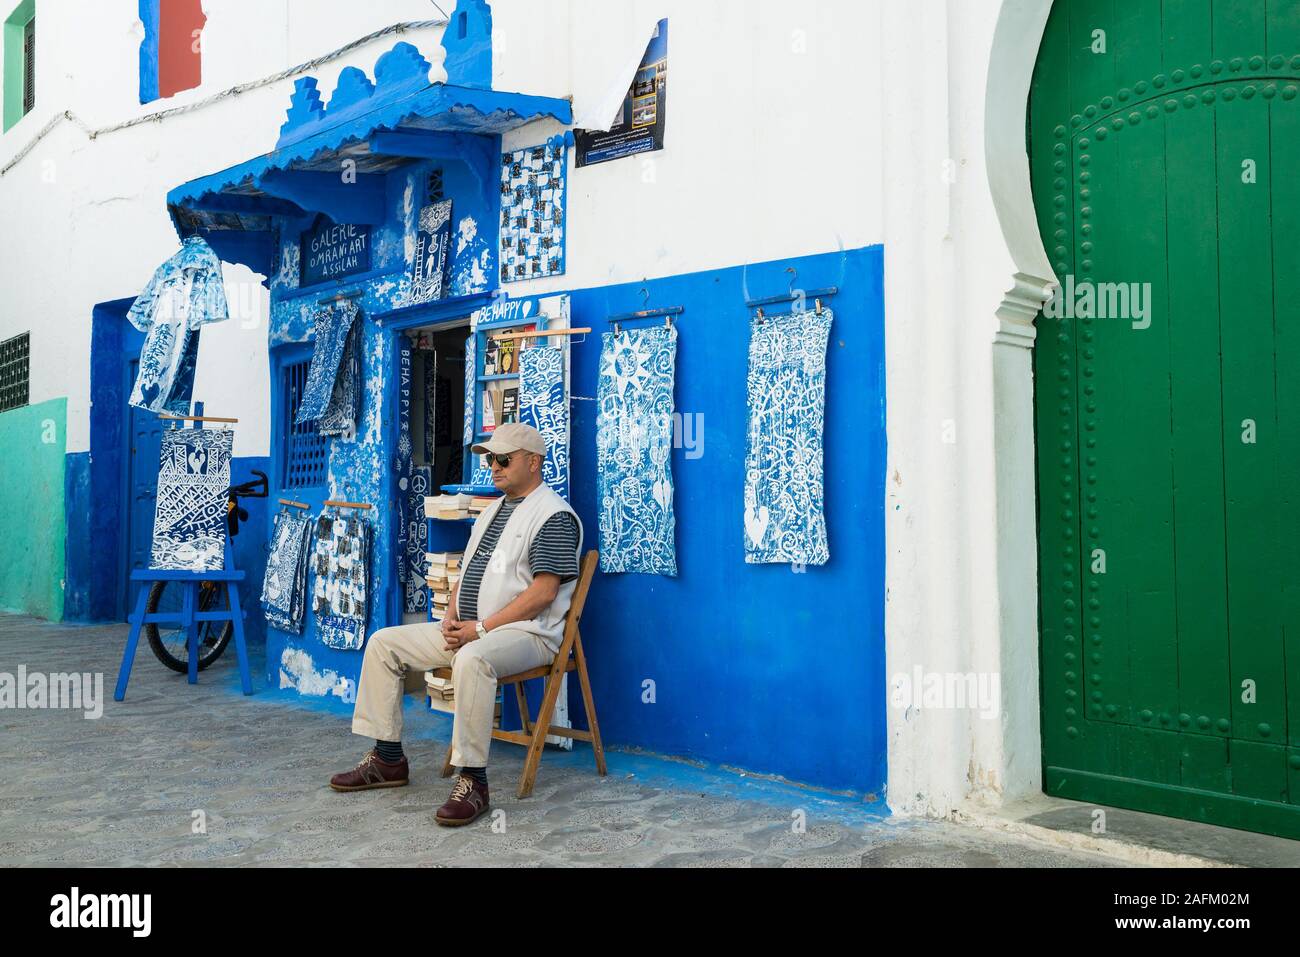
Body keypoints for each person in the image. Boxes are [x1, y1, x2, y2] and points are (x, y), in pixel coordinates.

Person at [328, 423, 582, 826]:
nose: (493, 467)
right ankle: (388, 759)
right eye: (489, 459)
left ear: (533, 463)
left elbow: (544, 593)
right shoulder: (494, 508)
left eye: (503, 459)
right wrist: (450, 616)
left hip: (528, 634)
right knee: (383, 643)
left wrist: (479, 629)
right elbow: (466, 569)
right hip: (471, 628)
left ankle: (473, 781)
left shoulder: (553, 515)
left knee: (473, 661)